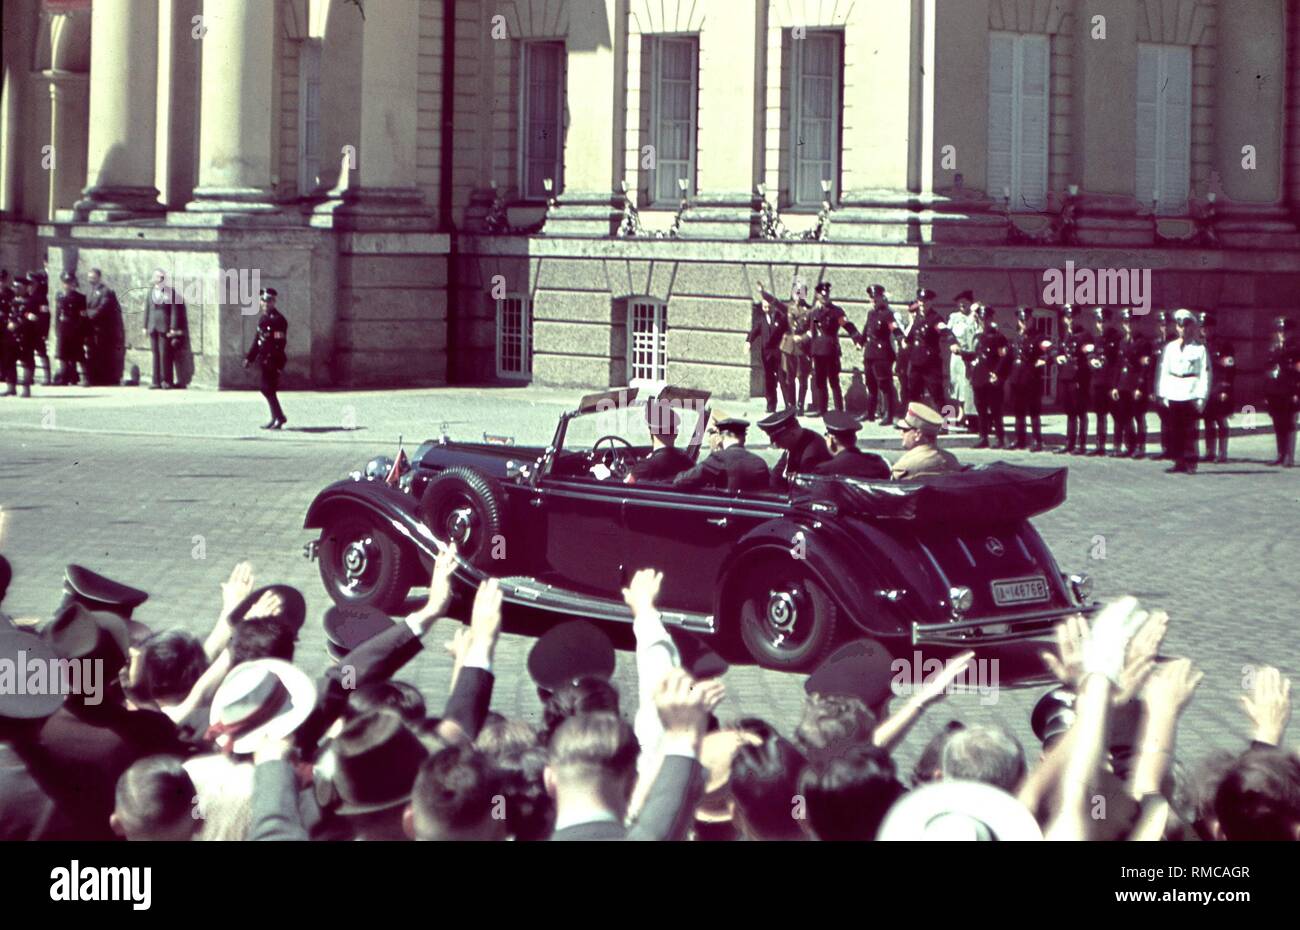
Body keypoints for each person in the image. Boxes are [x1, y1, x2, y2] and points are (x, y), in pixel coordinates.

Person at [1156, 309, 1209, 474]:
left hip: (1190, 392)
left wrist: (1202, 397)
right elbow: (1164, 371)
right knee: (1175, 429)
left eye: (1186, 326)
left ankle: (1191, 461)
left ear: (1191, 328)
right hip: (1174, 391)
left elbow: (1204, 374)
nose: (1183, 330)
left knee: (1190, 430)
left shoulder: (1199, 349)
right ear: (1177, 328)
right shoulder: (1170, 347)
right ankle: (1178, 461)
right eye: (1180, 327)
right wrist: (1163, 393)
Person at [672, 417, 769, 493]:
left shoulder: (719, 458)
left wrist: (715, 452)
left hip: (725, 514)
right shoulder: (759, 462)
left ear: (721, 437)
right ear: (744, 438)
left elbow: (682, 481)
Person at [807, 282, 858, 418]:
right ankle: (822, 409)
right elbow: (812, 332)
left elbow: (847, 325)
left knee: (834, 381)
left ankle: (839, 409)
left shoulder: (836, 311)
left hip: (831, 350)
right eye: (822, 296)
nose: (825, 298)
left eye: (827, 295)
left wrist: (856, 338)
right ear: (817, 296)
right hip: (818, 351)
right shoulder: (814, 313)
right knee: (820, 381)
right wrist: (809, 351)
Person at [1110, 309, 1155, 458]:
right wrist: (1115, 386)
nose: (1128, 325)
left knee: (1139, 416)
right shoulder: (1122, 342)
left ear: (1137, 323)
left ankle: (1140, 447)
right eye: (1125, 322)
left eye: (1131, 322)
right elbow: (1118, 365)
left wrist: (1140, 387)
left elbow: (1145, 366)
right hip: (1123, 384)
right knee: (1125, 417)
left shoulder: (1143, 343)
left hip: (1136, 385)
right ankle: (1130, 445)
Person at [244, 287, 289, 429]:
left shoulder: (279, 320)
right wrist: (249, 358)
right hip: (264, 360)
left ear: (274, 302)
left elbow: (280, 343)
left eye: (269, 301)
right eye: (263, 300)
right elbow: (257, 340)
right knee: (267, 389)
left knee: (267, 388)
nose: (266, 303)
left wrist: (276, 362)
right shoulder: (263, 319)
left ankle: (279, 417)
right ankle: (276, 417)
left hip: (273, 360)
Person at [759, 408, 831, 490]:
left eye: (778, 440)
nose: (777, 446)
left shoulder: (810, 457)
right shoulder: (798, 440)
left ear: (792, 434)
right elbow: (777, 473)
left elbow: (802, 491)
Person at [969, 304, 1009, 449]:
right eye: (981, 317)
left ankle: (1000, 438)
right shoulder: (978, 336)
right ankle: (983, 437)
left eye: (986, 318)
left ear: (991, 318)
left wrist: (997, 373)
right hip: (979, 378)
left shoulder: (999, 337)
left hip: (992, 379)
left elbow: (1004, 357)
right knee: (981, 409)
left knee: (996, 410)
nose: (983, 320)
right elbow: (977, 356)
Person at [1051, 305, 1089, 454]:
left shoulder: (1084, 335)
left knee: (1080, 411)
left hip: (1078, 378)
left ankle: (1082, 444)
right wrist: (1056, 356)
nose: (1069, 320)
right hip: (1065, 377)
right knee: (1069, 411)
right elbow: (1058, 351)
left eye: (1072, 317)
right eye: (1067, 317)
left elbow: (1088, 357)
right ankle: (1070, 442)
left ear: (1076, 317)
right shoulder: (1064, 336)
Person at [1007, 308, 1047, 451]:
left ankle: (1037, 440)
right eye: (1021, 320)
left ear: (1031, 320)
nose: (1024, 323)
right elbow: (1009, 358)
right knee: (1018, 411)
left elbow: (1051, 350)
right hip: (1017, 380)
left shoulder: (1039, 337)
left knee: (1034, 411)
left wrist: (1045, 360)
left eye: (1026, 320)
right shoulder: (1016, 338)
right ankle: (1019, 439)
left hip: (1032, 379)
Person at [625, 399, 693, 484]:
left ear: (651, 431)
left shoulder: (645, 467)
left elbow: (624, 487)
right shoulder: (687, 463)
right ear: (676, 433)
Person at [1084, 306, 1121, 456]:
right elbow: (1089, 356)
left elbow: (1118, 362)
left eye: (1104, 321)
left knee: (1116, 415)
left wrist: (1116, 385)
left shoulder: (1116, 338)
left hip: (1111, 382)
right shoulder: (1095, 339)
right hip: (1097, 382)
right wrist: (1091, 360)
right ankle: (1100, 445)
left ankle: (1117, 446)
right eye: (1099, 321)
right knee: (1099, 415)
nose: (1101, 324)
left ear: (1109, 321)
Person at [859, 284, 898, 425]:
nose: (874, 300)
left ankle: (889, 414)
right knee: (870, 384)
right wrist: (860, 341)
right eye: (871, 298)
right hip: (869, 352)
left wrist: (902, 340)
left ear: (882, 297)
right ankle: (870, 412)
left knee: (884, 384)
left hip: (883, 353)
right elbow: (867, 329)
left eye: (876, 297)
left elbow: (894, 328)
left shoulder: (888, 314)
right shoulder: (871, 313)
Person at [1263, 316, 1299, 467]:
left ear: (1291, 332)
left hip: (1291, 391)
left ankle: (1289, 456)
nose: (1282, 334)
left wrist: (1297, 392)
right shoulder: (1273, 348)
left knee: (1290, 423)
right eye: (1280, 331)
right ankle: (1280, 454)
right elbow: (1267, 371)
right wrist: (1266, 393)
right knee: (1278, 423)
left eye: (1285, 331)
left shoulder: (1296, 349)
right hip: (1275, 392)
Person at [746, 286, 789, 413]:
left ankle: (789, 405)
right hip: (766, 355)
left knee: (783, 379)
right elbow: (753, 332)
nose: (766, 308)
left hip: (780, 354)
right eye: (764, 306)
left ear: (772, 306)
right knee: (769, 380)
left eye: (768, 306)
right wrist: (748, 342)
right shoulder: (761, 320)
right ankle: (771, 405)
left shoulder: (781, 318)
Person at [891, 402, 960, 480]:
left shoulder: (904, 467)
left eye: (905, 430)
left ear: (918, 434)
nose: (901, 433)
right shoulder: (952, 460)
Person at [812, 411, 891, 479]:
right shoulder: (879, 465)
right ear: (855, 438)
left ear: (832, 439)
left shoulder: (824, 470)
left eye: (826, 435)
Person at [1199, 311, 1235, 463]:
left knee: (1221, 420)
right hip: (1205, 388)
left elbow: (1230, 368)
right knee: (1208, 420)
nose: (1204, 330)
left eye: (1207, 327)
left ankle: (1223, 452)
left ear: (1213, 328)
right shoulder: (1198, 344)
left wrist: (1225, 389)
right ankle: (1209, 451)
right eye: (1202, 327)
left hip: (1219, 388)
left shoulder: (1223, 345)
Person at [905, 288, 947, 410]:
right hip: (916, 362)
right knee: (913, 394)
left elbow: (945, 331)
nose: (922, 304)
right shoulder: (917, 318)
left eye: (925, 301)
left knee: (938, 394)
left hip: (930, 363)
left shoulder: (936, 318)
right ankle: (913, 423)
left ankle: (947, 422)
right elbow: (912, 334)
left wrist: (952, 342)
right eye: (920, 301)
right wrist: (906, 341)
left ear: (931, 302)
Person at [144, 269, 183, 389]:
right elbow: (147, 309)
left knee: (165, 354)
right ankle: (155, 381)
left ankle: (166, 380)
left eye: (161, 277)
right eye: (157, 277)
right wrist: (145, 326)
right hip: (152, 326)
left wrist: (173, 327)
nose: (159, 279)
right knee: (155, 354)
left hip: (164, 326)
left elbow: (174, 311)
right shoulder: (150, 291)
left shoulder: (170, 292)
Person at [780, 279, 814, 415]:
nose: (798, 295)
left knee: (803, 378)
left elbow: (814, 328)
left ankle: (800, 405)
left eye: (801, 293)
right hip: (789, 347)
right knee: (790, 377)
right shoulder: (789, 308)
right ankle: (791, 405)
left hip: (803, 348)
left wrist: (804, 338)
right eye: (796, 292)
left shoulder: (811, 311)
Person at [946, 290, 978, 428]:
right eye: (960, 303)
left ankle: (968, 414)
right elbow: (947, 333)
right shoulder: (954, 317)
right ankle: (960, 413)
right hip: (957, 356)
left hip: (970, 355)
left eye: (965, 302)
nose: (962, 305)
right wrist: (952, 344)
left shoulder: (975, 317)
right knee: (957, 385)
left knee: (967, 385)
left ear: (970, 303)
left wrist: (975, 314)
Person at [84, 268, 121, 385]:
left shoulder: (106, 291)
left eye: (93, 277)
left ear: (99, 278)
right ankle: (92, 378)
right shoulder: (88, 291)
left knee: (101, 354)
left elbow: (102, 308)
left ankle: (102, 379)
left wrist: (88, 315)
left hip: (101, 329)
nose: (91, 280)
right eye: (89, 277)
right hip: (90, 327)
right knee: (91, 353)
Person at [53, 271, 89, 386]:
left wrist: (80, 329)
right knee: (62, 354)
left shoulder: (80, 297)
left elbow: (83, 316)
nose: (68, 285)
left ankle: (85, 377)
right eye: (66, 283)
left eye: (70, 283)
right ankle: (64, 377)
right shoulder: (59, 296)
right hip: (63, 328)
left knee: (79, 354)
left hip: (75, 329)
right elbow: (57, 314)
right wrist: (57, 328)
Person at [1150, 311, 1172, 459]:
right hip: (1159, 387)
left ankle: (1175, 449)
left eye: (1167, 324)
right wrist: (1151, 389)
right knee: (1164, 418)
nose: (1165, 327)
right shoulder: (1156, 344)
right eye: (1162, 324)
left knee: (1173, 420)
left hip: (1173, 387)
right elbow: (1151, 369)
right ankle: (1165, 448)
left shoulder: (1175, 343)